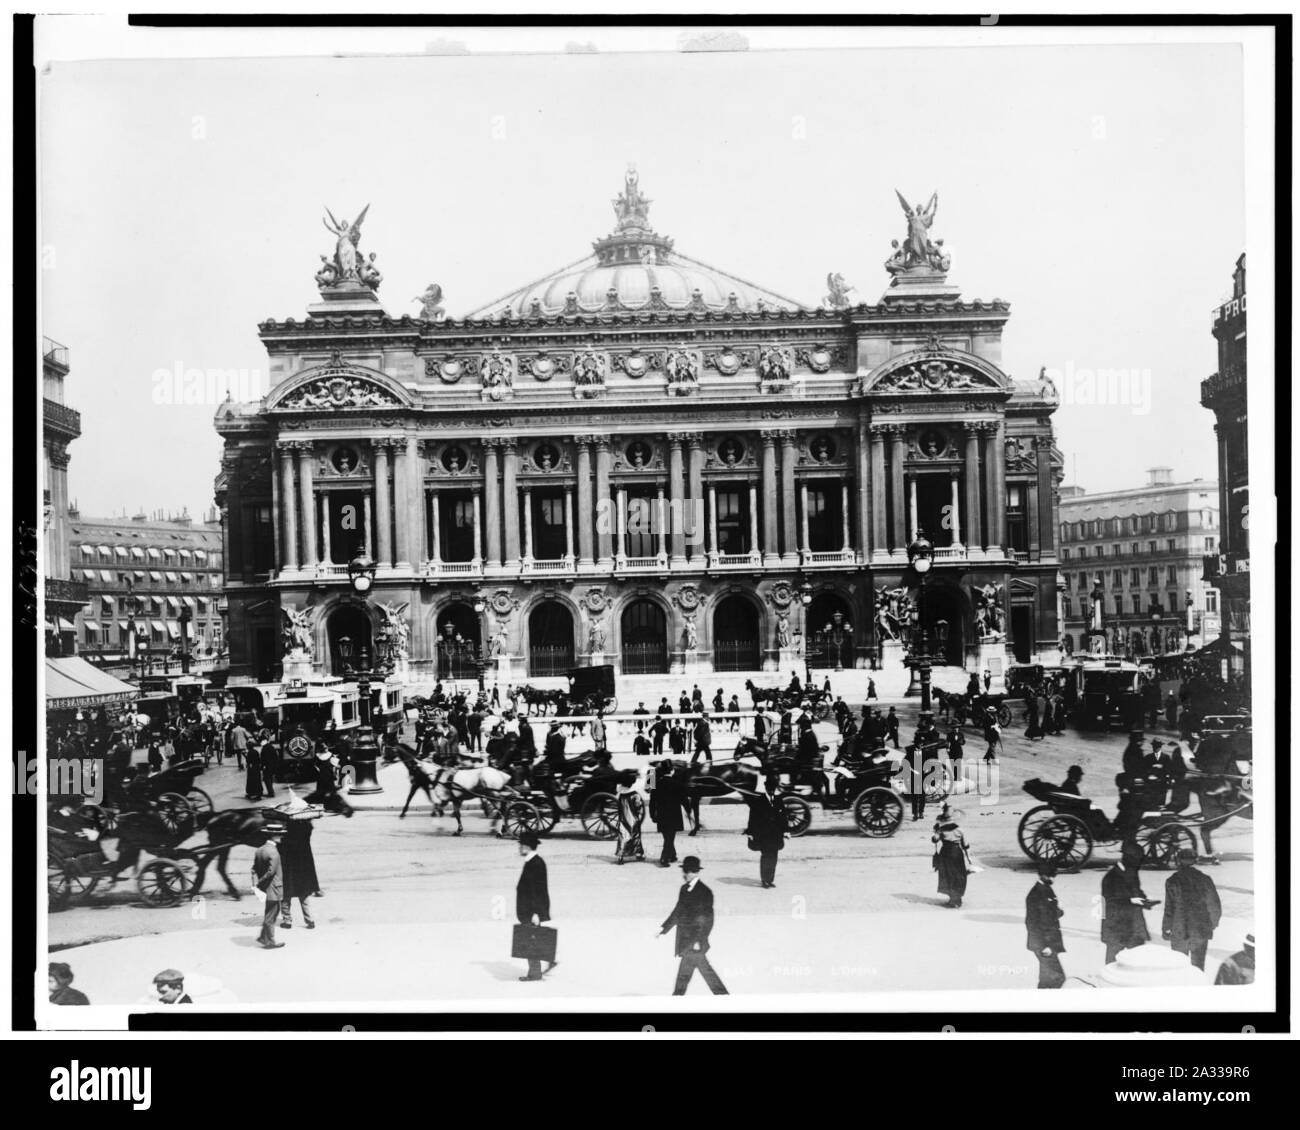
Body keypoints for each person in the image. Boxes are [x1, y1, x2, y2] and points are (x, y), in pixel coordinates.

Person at [657, 856, 727, 995]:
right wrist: (663, 929)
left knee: (695, 973)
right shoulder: (684, 889)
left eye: (688, 871)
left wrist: (698, 940)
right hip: (686, 939)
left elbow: (707, 920)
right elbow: (677, 911)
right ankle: (723, 997)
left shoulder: (705, 892)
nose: (685, 874)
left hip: (695, 942)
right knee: (695, 972)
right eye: (685, 871)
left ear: (696, 873)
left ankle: (722, 997)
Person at [1162, 848, 1222, 970]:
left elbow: (1169, 908)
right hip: (1200, 929)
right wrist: (1211, 924)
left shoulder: (1172, 881)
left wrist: (1166, 928)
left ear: (1178, 861)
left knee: (1178, 968)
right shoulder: (1205, 879)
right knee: (1198, 968)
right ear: (1194, 861)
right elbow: (1214, 905)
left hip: (1178, 930)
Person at [1100, 843, 1153, 963]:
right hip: (1116, 926)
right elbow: (1109, 901)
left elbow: (1137, 891)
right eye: (1137, 860)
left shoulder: (1132, 873)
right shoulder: (1111, 877)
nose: (1139, 864)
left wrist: (1145, 900)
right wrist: (1130, 900)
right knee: (1113, 963)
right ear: (1129, 859)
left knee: (1137, 962)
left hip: (1134, 925)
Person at [515, 832, 552, 981]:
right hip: (528, 910)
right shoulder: (532, 861)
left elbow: (538, 890)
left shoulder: (536, 863)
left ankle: (535, 973)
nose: (519, 848)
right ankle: (536, 971)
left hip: (531, 911)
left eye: (520, 845)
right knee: (530, 939)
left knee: (531, 941)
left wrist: (537, 913)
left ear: (527, 846)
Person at [740, 771, 786, 889]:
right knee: (766, 857)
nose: (771, 790)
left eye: (773, 788)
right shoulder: (759, 801)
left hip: (776, 835)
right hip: (764, 835)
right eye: (769, 787)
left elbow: (783, 817)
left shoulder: (778, 800)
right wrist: (750, 832)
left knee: (774, 858)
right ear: (766, 787)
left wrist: (786, 831)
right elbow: (753, 818)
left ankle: (770, 880)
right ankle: (764, 880)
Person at [278, 815, 320, 930]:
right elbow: (309, 826)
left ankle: (287, 921)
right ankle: (310, 920)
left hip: (288, 870)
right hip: (302, 870)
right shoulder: (305, 833)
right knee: (304, 896)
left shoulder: (285, 836)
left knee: (286, 896)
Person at [252, 825, 286, 949]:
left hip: (266, 888)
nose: (282, 836)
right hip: (274, 888)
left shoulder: (259, 850)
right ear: (273, 835)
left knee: (269, 912)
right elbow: (271, 872)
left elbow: (254, 868)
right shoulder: (274, 851)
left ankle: (263, 937)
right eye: (280, 834)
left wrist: (259, 883)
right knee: (272, 915)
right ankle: (270, 942)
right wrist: (261, 881)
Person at [931, 815, 971, 908]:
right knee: (959, 875)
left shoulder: (942, 830)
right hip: (957, 853)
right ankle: (957, 899)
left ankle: (952, 899)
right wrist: (969, 858)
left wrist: (935, 832)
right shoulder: (960, 830)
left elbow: (934, 840)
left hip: (945, 853)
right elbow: (965, 845)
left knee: (948, 875)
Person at [651, 761, 685, 867]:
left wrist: (652, 815)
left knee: (667, 836)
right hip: (674, 815)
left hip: (661, 815)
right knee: (670, 837)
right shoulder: (677, 783)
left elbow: (652, 801)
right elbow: (683, 799)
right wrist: (688, 810)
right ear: (672, 771)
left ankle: (672, 855)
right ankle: (664, 858)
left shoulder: (656, 784)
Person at [614, 769, 646, 864]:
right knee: (636, 837)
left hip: (623, 819)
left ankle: (621, 856)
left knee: (623, 837)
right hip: (633, 819)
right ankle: (639, 853)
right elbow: (639, 807)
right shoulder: (635, 795)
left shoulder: (621, 795)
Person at [244, 734, 265, 801]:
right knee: (257, 781)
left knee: (251, 780)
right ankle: (259, 792)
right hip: (257, 767)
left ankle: (251, 792)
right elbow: (258, 759)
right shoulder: (255, 751)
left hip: (252, 768)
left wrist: (244, 755)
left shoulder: (249, 753)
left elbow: (248, 761)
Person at [259, 733, 280, 798]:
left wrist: (262, 766)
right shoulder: (271, 747)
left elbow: (263, 759)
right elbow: (276, 757)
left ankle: (271, 792)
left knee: (266, 779)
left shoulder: (264, 748)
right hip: (272, 766)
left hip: (267, 766)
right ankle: (271, 791)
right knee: (270, 778)